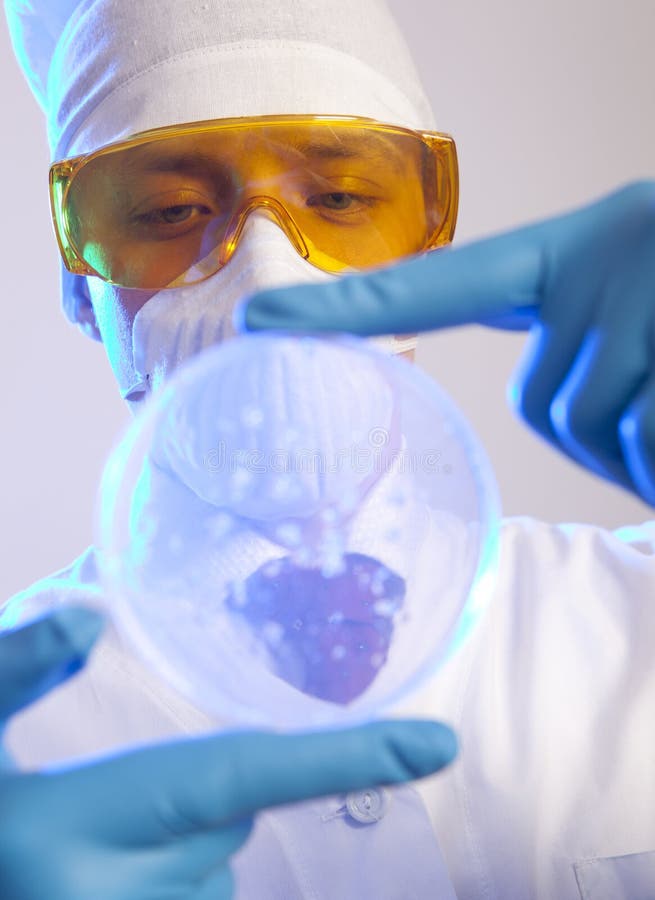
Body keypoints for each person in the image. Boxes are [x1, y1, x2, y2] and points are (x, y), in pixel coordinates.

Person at [2, 1, 654, 899]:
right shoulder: (20, 733)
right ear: (84, 290)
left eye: (342, 200)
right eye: (171, 209)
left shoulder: (633, 618)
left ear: (429, 238)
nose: (264, 272)